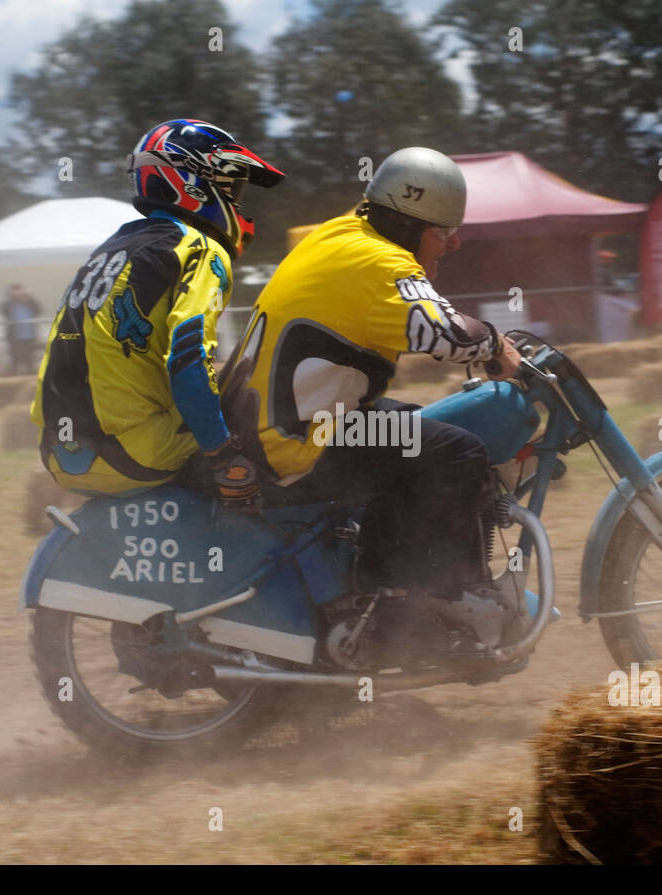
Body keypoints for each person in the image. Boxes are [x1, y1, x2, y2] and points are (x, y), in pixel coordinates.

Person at [219, 146, 522, 631]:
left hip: (273, 423)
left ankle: (378, 574)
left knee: (409, 428)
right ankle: (423, 596)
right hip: (298, 441)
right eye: (442, 232)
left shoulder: (340, 233)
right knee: (457, 452)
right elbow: (442, 330)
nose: (453, 244)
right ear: (408, 225)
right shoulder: (380, 263)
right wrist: (495, 345)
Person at [32, 118, 284, 501]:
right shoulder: (198, 249)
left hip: (57, 456)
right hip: (135, 455)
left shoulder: (110, 249)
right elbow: (188, 360)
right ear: (197, 182)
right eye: (231, 187)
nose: (236, 201)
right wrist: (221, 457)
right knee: (255, 402)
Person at [0, 285, 44, 375]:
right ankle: (14, 372)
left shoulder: (30, 301)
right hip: (14, 334)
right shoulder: (9, 303)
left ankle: (30, 371)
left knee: (29, 353)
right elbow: (3, 310)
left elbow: (39, 310)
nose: (18, 293)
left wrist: (28, 297)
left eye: (20, 290)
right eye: (15, 291)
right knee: (14, 354)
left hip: (29, 333)